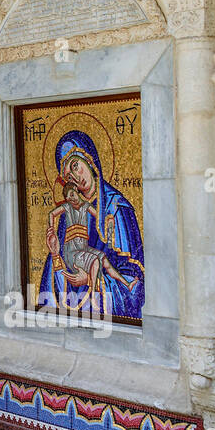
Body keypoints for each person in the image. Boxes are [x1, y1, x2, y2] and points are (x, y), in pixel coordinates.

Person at [38, 130, 144, 319]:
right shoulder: (68, 215)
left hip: (105, 302)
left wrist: (91, 280)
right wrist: (55, 254)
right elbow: (56, 274)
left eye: (75, 166)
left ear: (90, 161)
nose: (75, 178)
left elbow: (136, 277)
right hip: (75, 302)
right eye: (68, 176)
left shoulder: (117, 208)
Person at [46, 184, 135, 291]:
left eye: (72, 195)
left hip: (83, 249)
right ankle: (93, 294)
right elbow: (51, 214)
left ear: (75, 189)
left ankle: (127, 284)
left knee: (104, 260)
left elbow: (99, 217)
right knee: (95, 260)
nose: (72, 199)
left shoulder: (86, 206)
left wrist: (109, 220)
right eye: (69, 198)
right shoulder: (67, 207)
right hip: (72, 252)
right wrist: (51, 229)